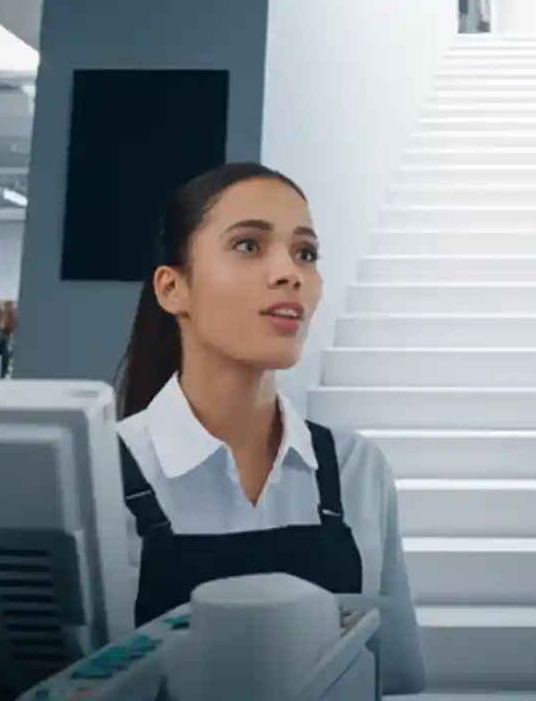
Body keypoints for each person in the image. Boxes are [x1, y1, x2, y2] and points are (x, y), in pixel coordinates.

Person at [112, 162, 426, 694]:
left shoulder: (356, 470)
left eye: (305, 252)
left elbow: (385, 673)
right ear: (172, 289)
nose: (291, 273)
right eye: (249, 246)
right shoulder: (103, 478)